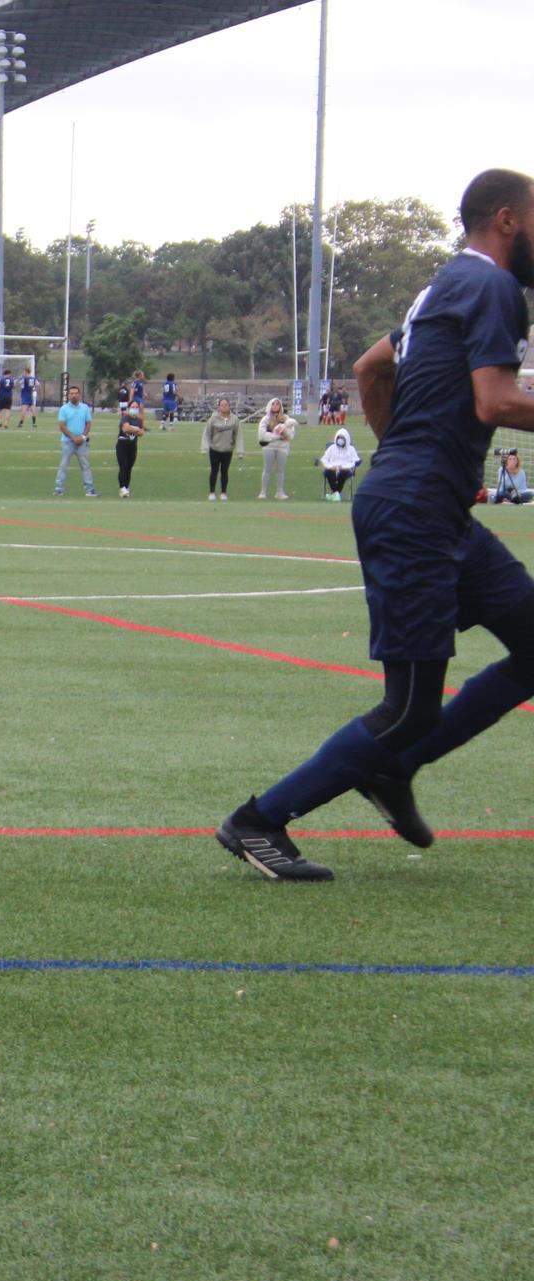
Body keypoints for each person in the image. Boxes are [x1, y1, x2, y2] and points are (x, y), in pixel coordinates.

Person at [216, 167, 534, 882]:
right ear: (509, 220)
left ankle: (394, 770)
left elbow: (370, 367)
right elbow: (494, 399)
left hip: (428, 504)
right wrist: (419, 465)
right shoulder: (495, 287)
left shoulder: (440, 287)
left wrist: (411, 456)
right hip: (418, 511)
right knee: (409, 706)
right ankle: (259, 819)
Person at [53, 383, 97, 497]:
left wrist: (82, 437)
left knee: (86, 466)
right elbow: (62, 426)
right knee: (63, 466)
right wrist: (73, 437)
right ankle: (59, 489)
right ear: (68, 395)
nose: (74, 396)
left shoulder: (85, 408)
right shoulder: (64, 409)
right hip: (67, 442)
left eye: (76, 393)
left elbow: (88, 424)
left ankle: (89, 489)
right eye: (71, 394)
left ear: (80, 395)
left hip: (82, 443)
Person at [256, 397, 296, 500]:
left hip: (282, 447)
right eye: (273, 404)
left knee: (280, 470)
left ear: (280, 406)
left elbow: (291, 434)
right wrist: (277, 436)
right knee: (267, 469)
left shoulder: (286, 419)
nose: (275, 406)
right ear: (270, 405)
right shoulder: (266, 419)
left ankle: (280, 492)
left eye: (277, 404)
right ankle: (263, 491)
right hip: (269, 447)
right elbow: (262, 435)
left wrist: (285, 432)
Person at [203, 396, 242, 500]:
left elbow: (238, 435)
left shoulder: (234, 419)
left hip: (227, 450)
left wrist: (240, 451)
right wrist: (205, 447)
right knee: (214, 470)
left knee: (225, 471)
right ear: (219, 407)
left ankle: (223, 493)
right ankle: (211, 492)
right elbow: (207, 433)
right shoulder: (213, 418)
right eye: (222, 405)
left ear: (229, 406)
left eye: (226, 405)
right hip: (215, 449)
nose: (224, 407)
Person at [114, 396, 147, 497]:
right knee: (123, 466)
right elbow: (126, 429)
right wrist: (136, 430)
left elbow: (142, 433)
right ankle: (122, 487)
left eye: (136, 407)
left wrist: (135, 430)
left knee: (129, 467)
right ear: (129, 408)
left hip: (133, 445)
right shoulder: (126, 417)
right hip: (122, 444)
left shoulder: (139, 420)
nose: (135, 409)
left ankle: (127, 487)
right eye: (133, 407)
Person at [320, 426, 361, 500]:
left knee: (343, 472)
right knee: (328, 472)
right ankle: (337, 494)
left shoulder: (351, 449)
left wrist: (344, 467)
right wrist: (330, 466)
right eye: (339, 438)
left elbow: (355, 460)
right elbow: (324, 459)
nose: (340, 440)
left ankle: (335, 493)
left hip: (345, 468)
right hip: (332, 467)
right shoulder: (332, 448)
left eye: (342, 438)